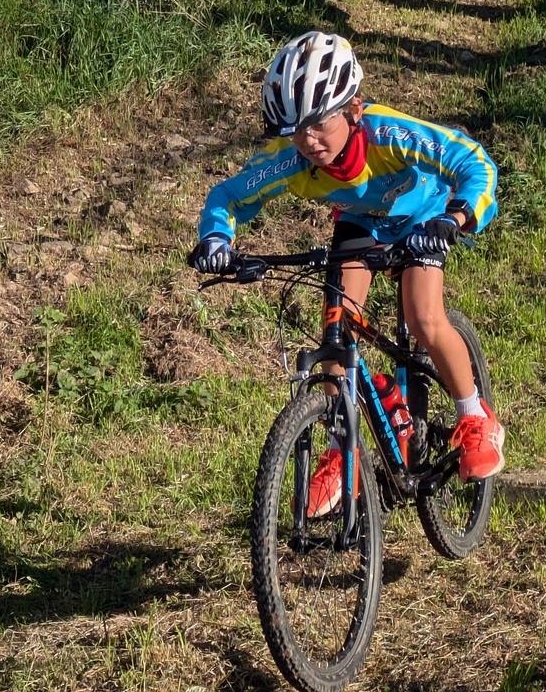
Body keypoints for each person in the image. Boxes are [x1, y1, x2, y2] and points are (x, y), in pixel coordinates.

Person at [188, 31, 504, 516]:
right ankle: (342, 451)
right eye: (296, 130)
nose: (309, 140)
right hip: (360, 224)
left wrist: (456, 218)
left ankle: (475, 416)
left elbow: (472, 160)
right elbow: (228, 196)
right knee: (337, 332)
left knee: (423, 317)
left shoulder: (388, 134)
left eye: (319, 123)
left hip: (424, 217)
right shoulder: (291, 159)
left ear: (354, 109)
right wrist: (216, 239)